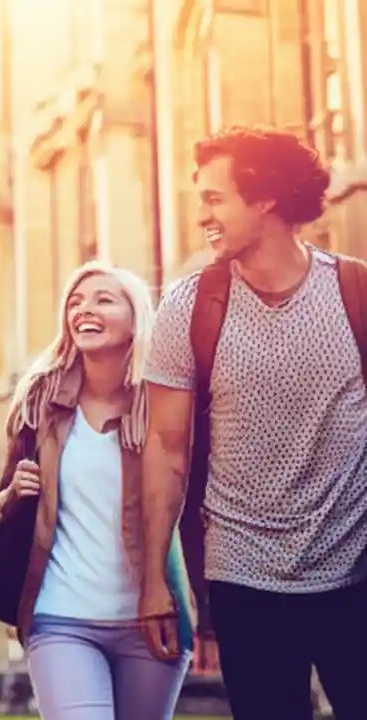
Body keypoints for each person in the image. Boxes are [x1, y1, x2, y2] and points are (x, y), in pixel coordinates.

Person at [139, 127, 367, 720]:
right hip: (245, 579)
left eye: (215, 199)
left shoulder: (356, 291)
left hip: (356, 572)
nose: (202, 217)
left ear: (264, 199)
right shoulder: (189, 307)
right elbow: (165, 451)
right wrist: (154, 581)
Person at [0, 262, 194, 720]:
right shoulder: (39, 401)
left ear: (135, 319)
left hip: (153, 621)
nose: (84, 309)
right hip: (61, 618)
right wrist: (10, 497)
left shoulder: (166, 403)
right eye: (75, 301)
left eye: (104, 299)